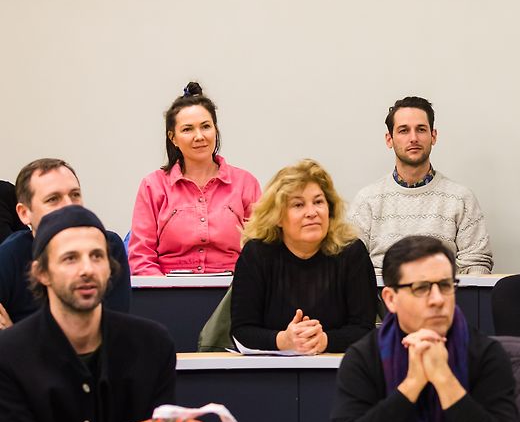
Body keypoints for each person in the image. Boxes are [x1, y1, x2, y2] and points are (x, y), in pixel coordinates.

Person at [0, 206, 175, 422]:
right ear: (41, 272)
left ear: (110, 267)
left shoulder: (153, 346)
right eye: (70, 258)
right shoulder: (9, 357)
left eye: (97, 256)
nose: (86, 269)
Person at [332, 235, 517, 422]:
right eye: (421, 288)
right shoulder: (364, 357)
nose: (438, 299)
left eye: (445, 285)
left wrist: (444, 379)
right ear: (390, 299)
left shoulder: (485, 353)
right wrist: (412, 384)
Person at [230, 160, 376, 354]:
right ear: (278, 217)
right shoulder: (257, 254)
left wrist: (324, 341)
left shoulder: (352, 252)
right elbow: (242, 330)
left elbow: (365, 329)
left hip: (338, 371)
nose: (312, 212)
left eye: (318, 202)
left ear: (329, 209)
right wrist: (284, 340)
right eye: (298, 205)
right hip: (270, 374)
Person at [348, 96, 493, 275]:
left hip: (442, 298)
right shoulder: (367, 201)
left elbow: (477, 265)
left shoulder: (461, 199)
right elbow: (351, 268)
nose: (413, 138)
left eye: (421, 129)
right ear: (389, 139)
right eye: (403, 130)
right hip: (381, 300)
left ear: (433, 136)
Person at [129, 82, 261, 275]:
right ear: (173, 138)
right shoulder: (153, 186)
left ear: (215, 130)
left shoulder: (245, 183)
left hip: (234, 293)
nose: (199, 136)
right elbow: (141, 256)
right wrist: (165, 293)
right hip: (169, 294)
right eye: (187, 129)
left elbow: (261, 251)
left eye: (206, 127)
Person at [0, 159, 129, 330]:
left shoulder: (108, 246)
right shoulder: (9, 255)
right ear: (24, 213)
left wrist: (14, 335)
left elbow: (114, 331)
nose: (69, 206)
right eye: (53, 199)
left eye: (75, 195)